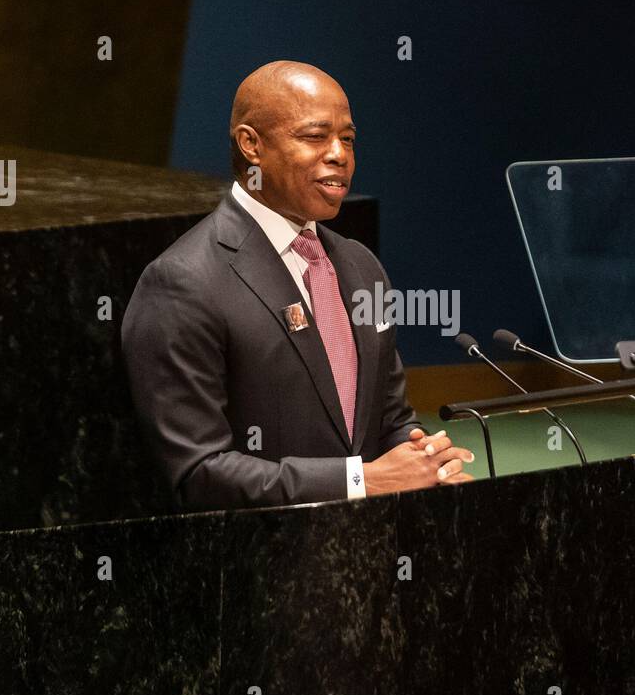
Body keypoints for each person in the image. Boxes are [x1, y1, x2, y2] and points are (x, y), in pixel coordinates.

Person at [121, 61, 475, 511]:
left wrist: (426, 459)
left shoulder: (360, 266)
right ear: (252, 144)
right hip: (252, 567)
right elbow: (199, 471)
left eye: (347, 139)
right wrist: (359, 480)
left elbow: (389, 419)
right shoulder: (182, 283)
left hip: (366, 557)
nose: (339, 154)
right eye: (315, 136)